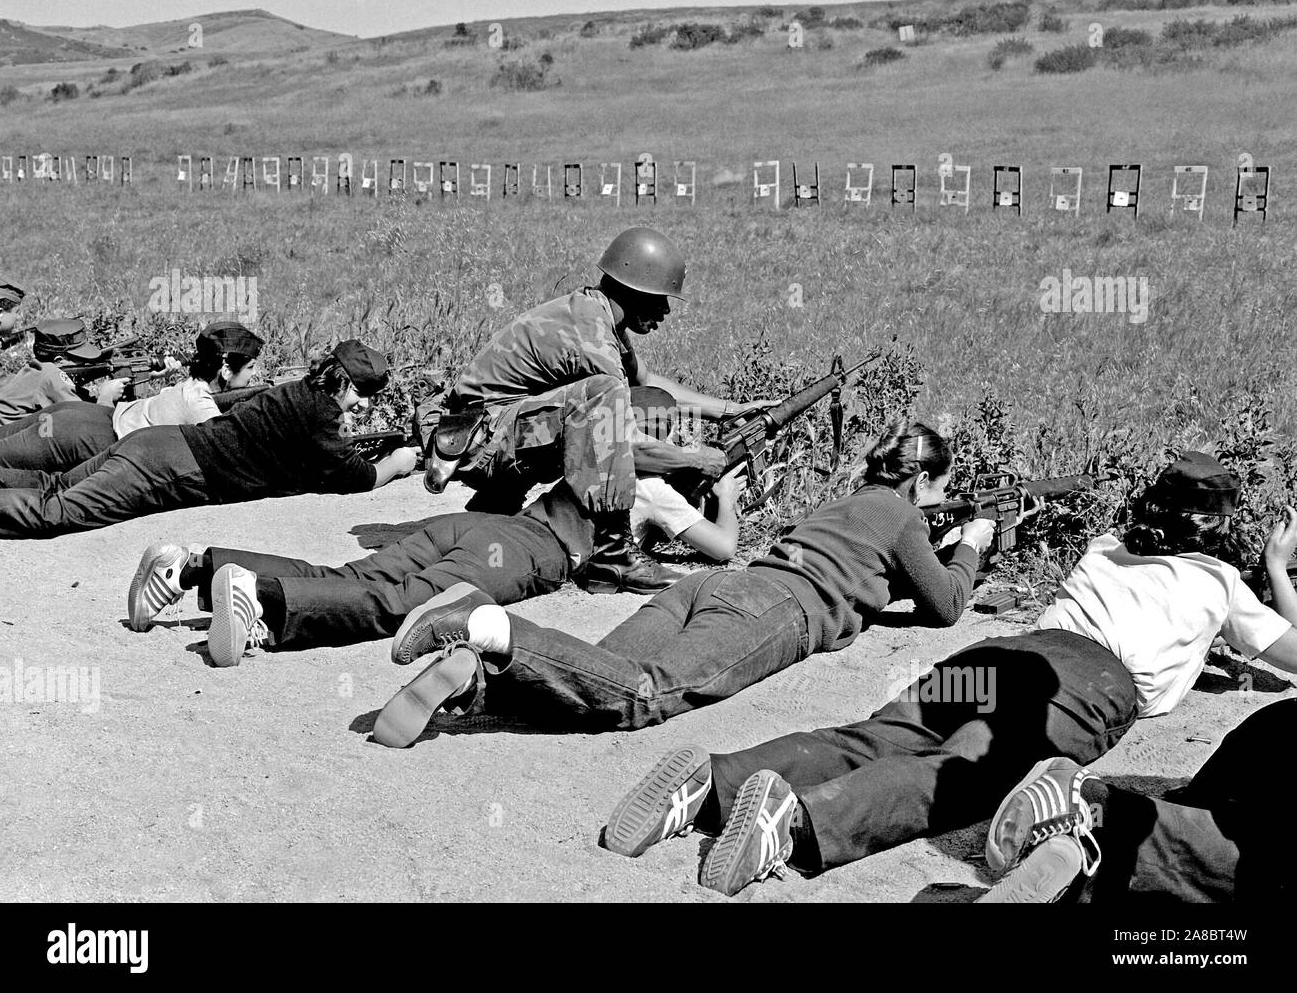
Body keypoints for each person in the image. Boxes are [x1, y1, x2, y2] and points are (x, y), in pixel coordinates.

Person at [593, 452, 1297, 897]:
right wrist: (1272, 568)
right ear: (1218, 528)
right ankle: (798, 823)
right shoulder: (1220, 581)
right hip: (1087, 687)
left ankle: (711, 779)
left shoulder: (1108, 546)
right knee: (957, 774)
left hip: (1004, 652)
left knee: (877, 735)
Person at [369, 421, 995, 748]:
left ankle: (478, 676)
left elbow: (871, 564)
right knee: (643, 697)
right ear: (920, 484)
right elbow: (945, 606)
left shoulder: (850, 504)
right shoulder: (904, 512)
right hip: (777, 610)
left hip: (714, 588)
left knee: (597, 675)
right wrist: (970, 549)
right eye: (939, 489)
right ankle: (488, 625)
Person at [125, 390, 751, 667]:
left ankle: (193, 566)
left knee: (355, 576)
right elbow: (722, 549)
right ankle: (258, 606)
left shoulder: (595, 460)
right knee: (394, 605)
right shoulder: (657, 489)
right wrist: (727, 496)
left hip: (477, 526)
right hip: (521, 555)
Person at [422, 226, 772, 593]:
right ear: (633, 291)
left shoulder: (600, 314)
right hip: (479, 445)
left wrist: (730, 409)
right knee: (603, 398)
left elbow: (648, 384)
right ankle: (611, 557)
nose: (666, 311)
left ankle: (493, 514)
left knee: (643, 402)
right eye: (659, 298)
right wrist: (696, 460)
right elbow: (624, 444)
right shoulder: (592, 336)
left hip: (492, 430)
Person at [980, 507, 1297, 904]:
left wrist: (1275, 568)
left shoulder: (1103, 548)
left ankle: (1086, 849)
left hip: (1275, 734)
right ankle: (1094, 810)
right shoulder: (1223, 582)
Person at [0, 339, 419, 539]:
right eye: (362, 395)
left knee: (55, 486)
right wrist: (397, 463)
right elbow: (356, 477)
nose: (363, 406)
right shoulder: (322, 413)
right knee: (57, 514)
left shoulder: (298, 391)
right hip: (166, 468)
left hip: (155, 443)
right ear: (342, 382)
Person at [0, 322, 263, 471]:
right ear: (226, 369)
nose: (254, 374)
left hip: (78, 420)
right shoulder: (197, 403)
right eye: (251, 367)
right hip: (87, 431)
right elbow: (228, 456)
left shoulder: (185, 388)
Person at [0, 312, 127, 426]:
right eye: (80, 357)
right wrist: (106, 396)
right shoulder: (52, 376)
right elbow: (91, 425)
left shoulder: (36, 369)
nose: (86, 361)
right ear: (59, 360)